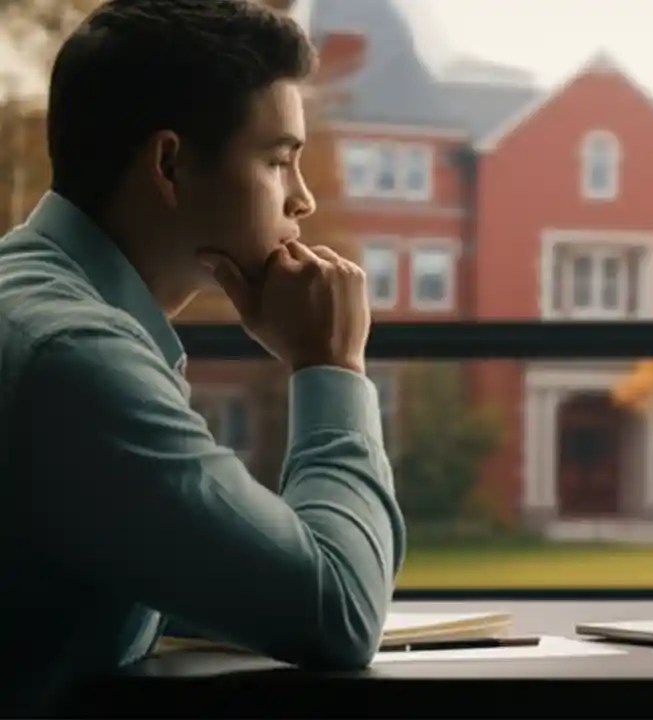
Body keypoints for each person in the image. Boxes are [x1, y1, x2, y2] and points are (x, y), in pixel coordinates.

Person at [0, 0, 405, 712]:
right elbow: (339, 610)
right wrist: (330, 365)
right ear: (170, 164)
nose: (303, 200)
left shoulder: (34, 305)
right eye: (280, 160)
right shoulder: (76, 362)